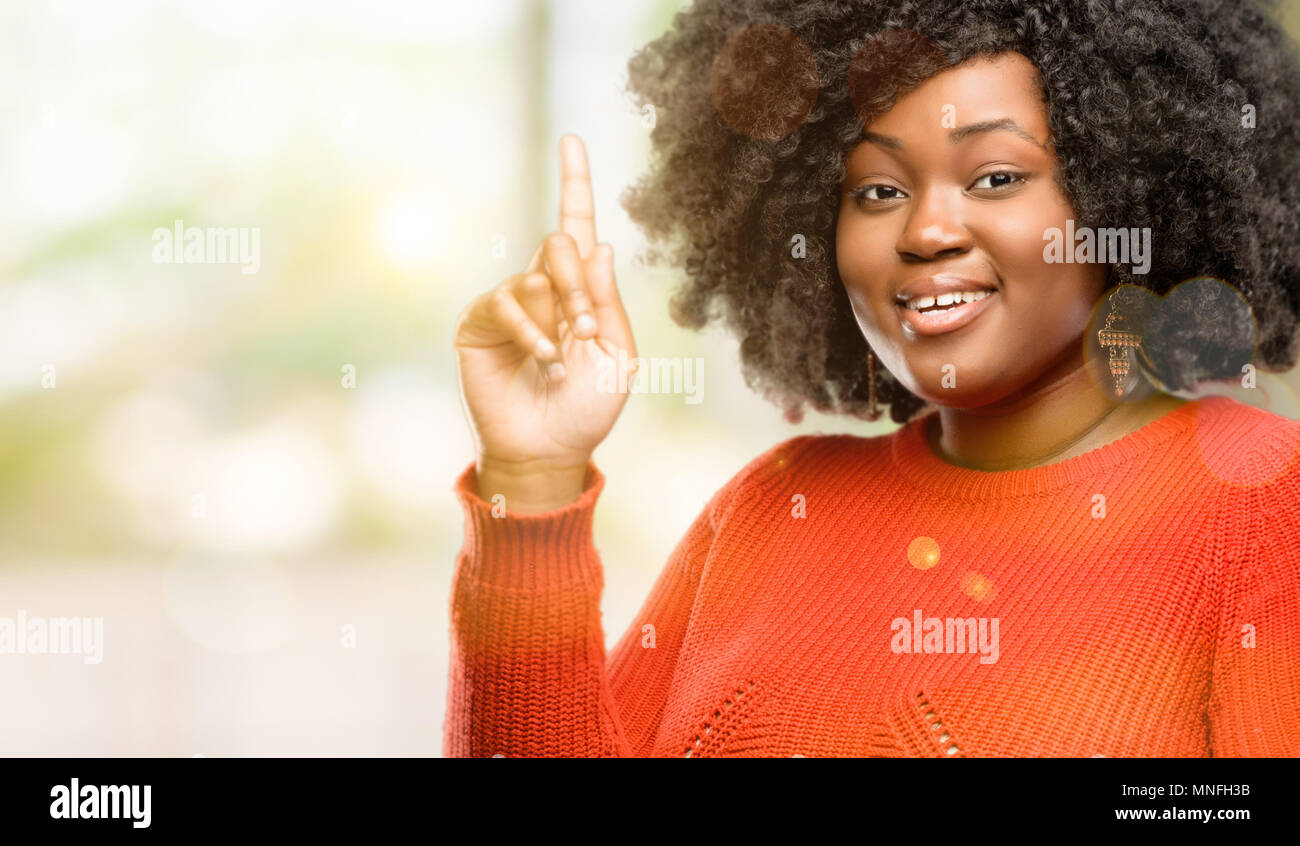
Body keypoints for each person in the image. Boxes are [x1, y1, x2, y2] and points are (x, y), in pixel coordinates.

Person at [448, 0, 1300, 757]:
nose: (927, 230)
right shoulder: (772, 506)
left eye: (996, 177)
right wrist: (530, 478)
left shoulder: (1264, 507)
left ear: (1129, 194)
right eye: (878, 190)